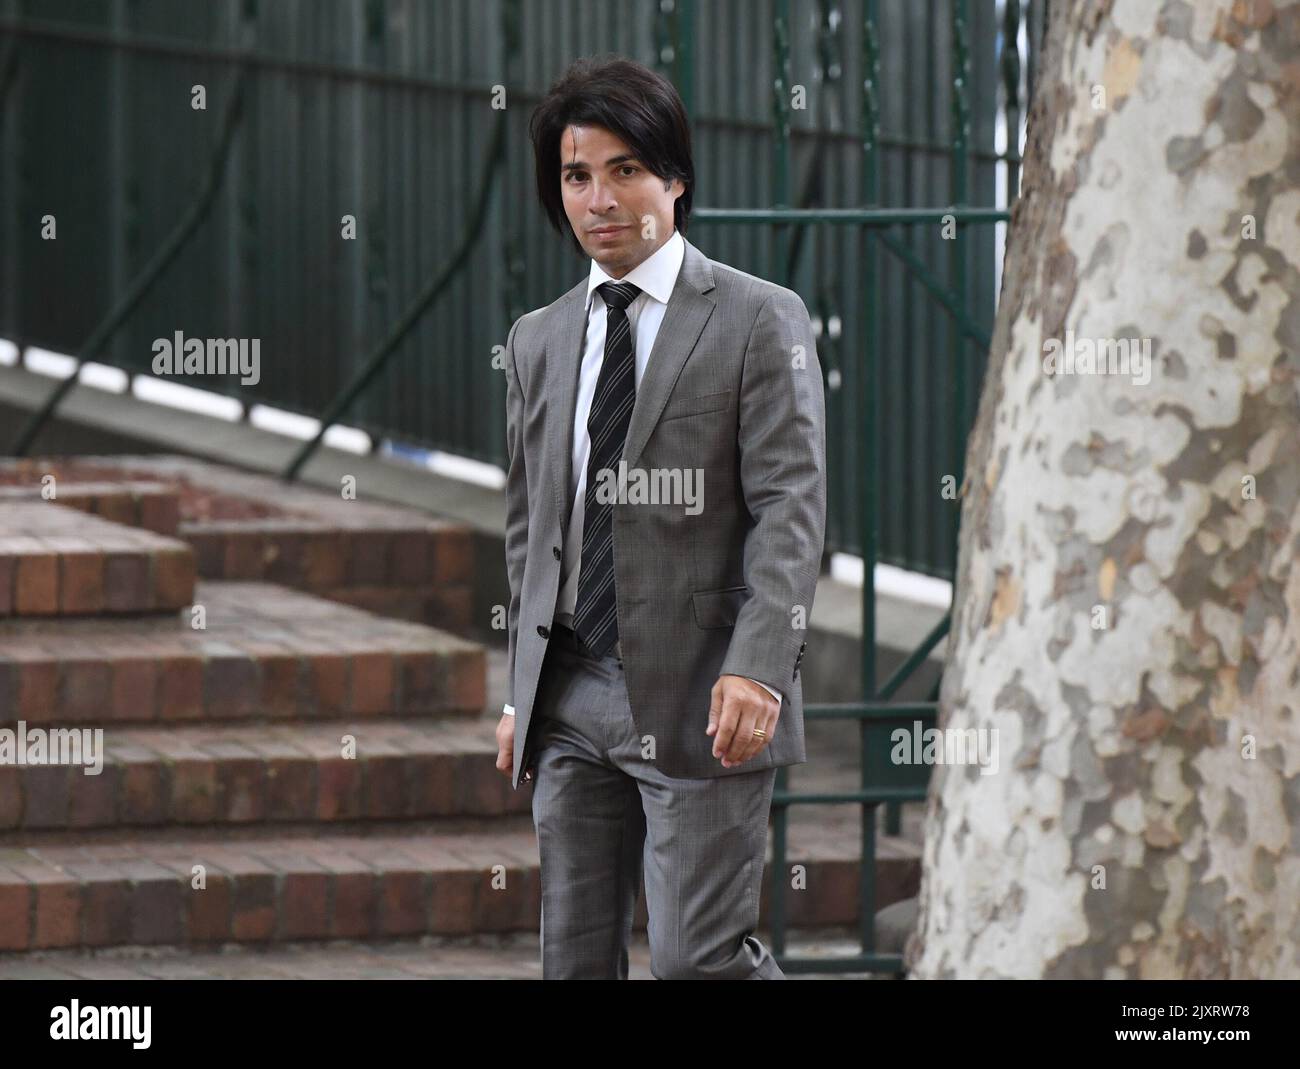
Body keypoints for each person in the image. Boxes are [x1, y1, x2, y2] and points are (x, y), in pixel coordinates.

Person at [495, 54, 826, 980]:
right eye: (576, 175)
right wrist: (524, 686)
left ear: (675, 178)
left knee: (698, 961)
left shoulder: (760, 319)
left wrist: (760, 667)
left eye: (626, 170)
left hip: (702, 692)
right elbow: (531, 524)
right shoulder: (539, 338)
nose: (600, 199)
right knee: (574, 960)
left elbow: (790, 508)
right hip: (571, 690)